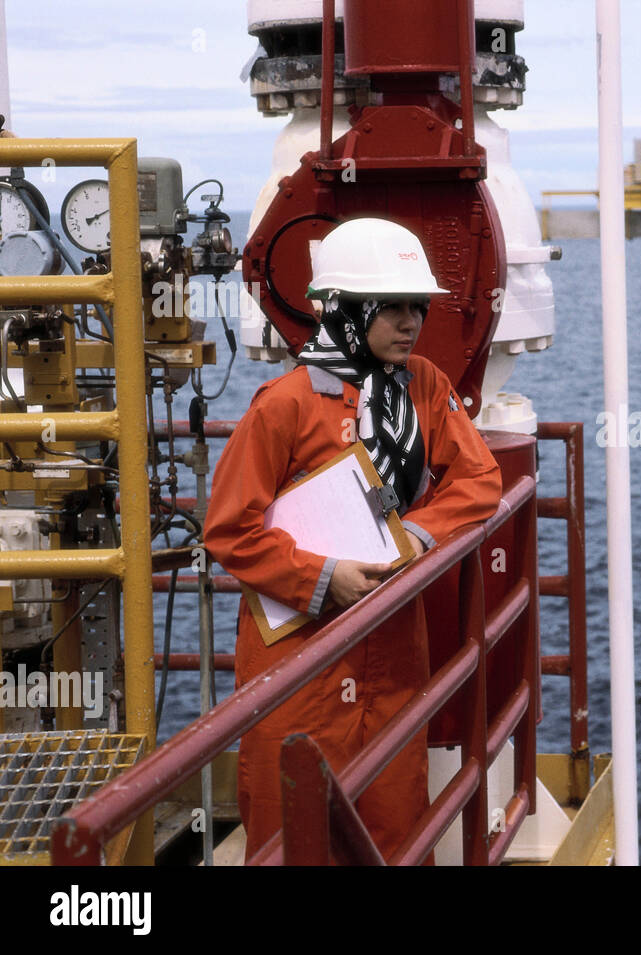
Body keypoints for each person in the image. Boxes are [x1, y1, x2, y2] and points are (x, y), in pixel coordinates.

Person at [204, 217, 503, 862]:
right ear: (344, 310)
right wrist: (320, 578)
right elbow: (229, 528)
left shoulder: (423, 385)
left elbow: (479, 477)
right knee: (293, 831)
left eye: (416, 307)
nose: (410, 323)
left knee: (393, 825)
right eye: (390, 307)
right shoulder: (283, 406)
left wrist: (419, 533)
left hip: (393, 645)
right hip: (300, 657)